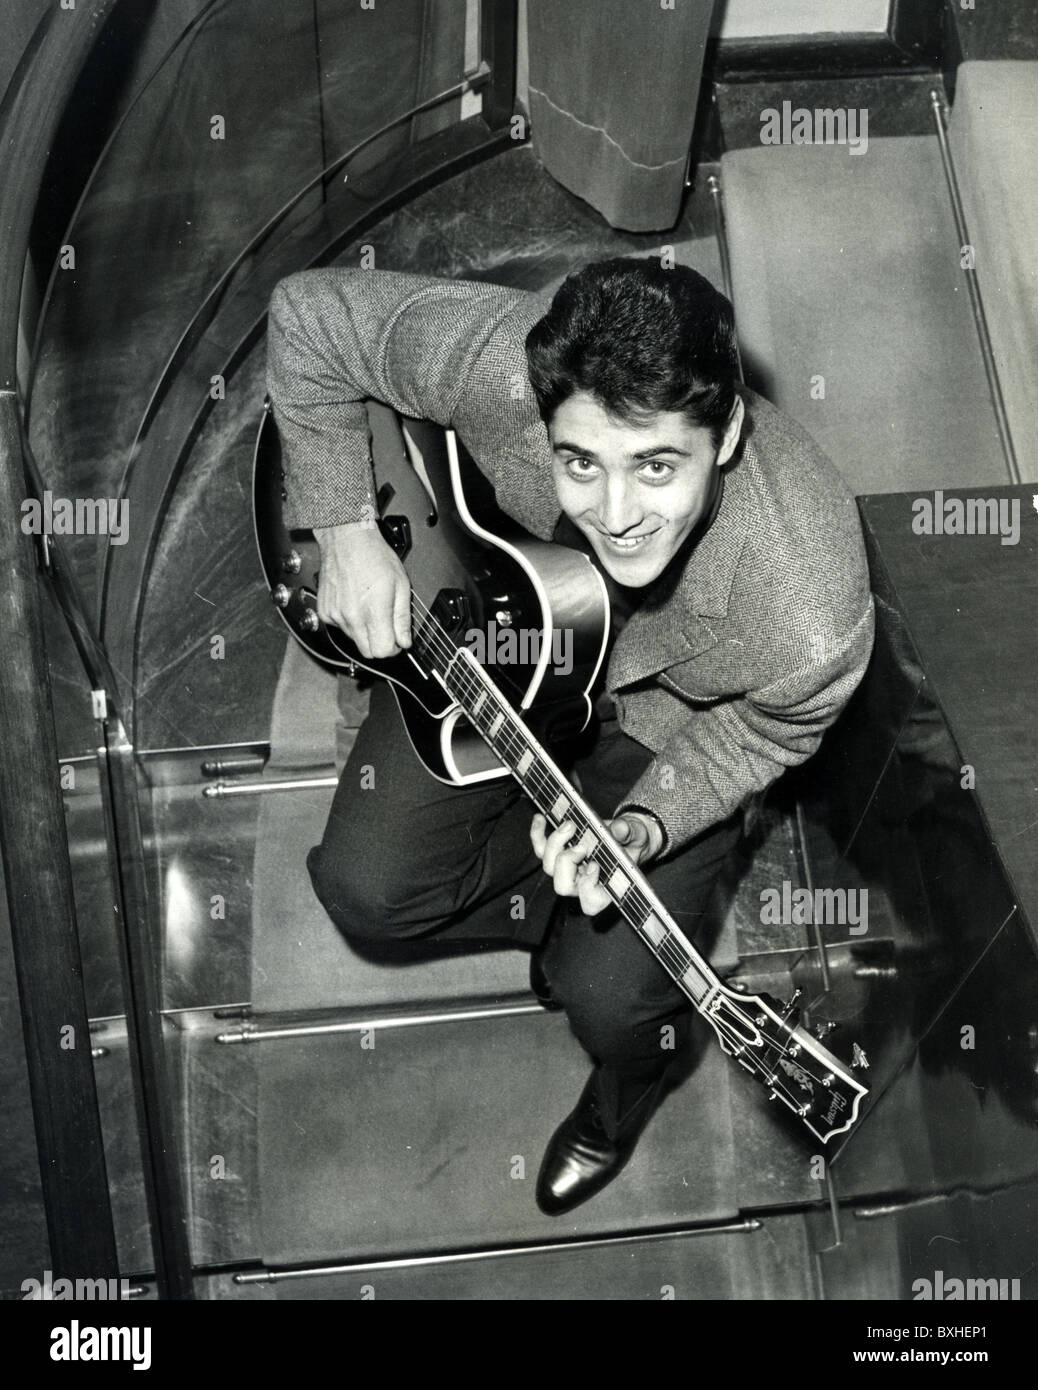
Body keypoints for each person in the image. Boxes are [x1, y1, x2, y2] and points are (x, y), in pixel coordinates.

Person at [265, 256, 874, 1214]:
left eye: (658, 465)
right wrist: (344, 527)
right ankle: (544, 920)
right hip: (510, 635)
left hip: (672, 735)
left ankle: (619, 1102)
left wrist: (642, 828)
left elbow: (762, 734)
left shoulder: (810, 612)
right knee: (364, 893)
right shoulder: (504, 364)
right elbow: (308, 314)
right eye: (579, 462)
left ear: (729, 433)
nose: (617, 516)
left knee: (616, 1002)